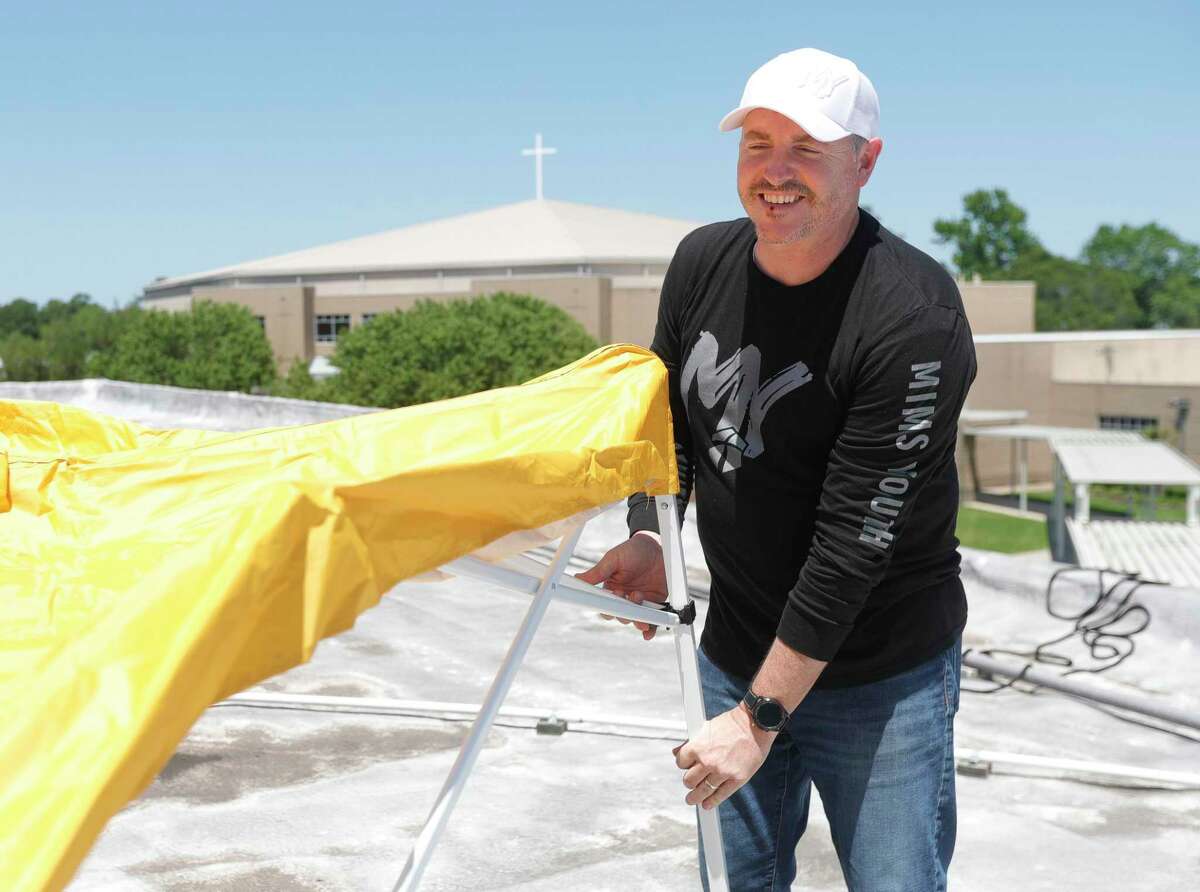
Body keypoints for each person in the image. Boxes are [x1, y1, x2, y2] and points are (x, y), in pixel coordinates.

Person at [577, 48, 976, 891]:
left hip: (881, 680)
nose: (776, 171)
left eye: (807, 148)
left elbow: (852, 548)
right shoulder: (701, 264)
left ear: (865, 161)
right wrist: (654, 536)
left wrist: (757, 720)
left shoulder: (912, 319)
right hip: (736, 644)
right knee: (734, 883)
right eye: (758, 143)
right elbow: (669, 429)